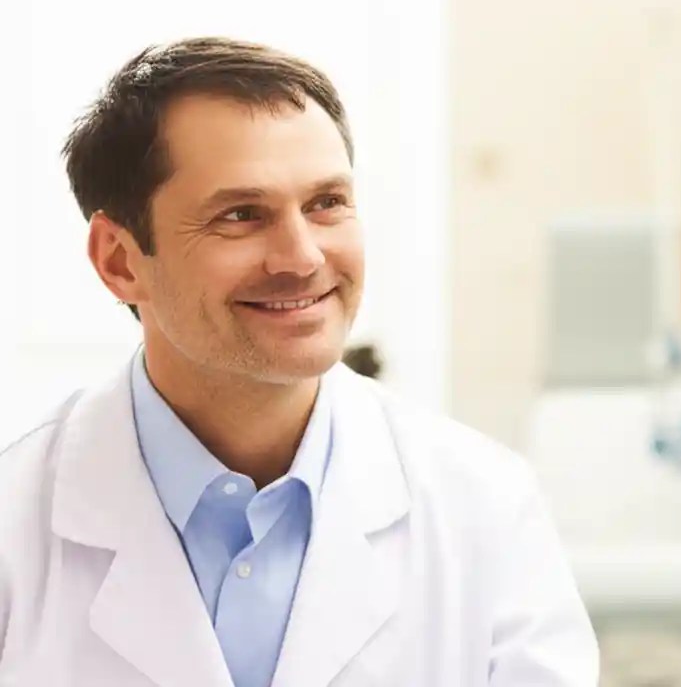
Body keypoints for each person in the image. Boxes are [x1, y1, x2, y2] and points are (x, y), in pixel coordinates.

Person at [0, 37, 598, 687]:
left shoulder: (484, 507)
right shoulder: (15, 527)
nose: (304, 257)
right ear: (119, 260)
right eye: (241, 215)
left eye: (326, 204)